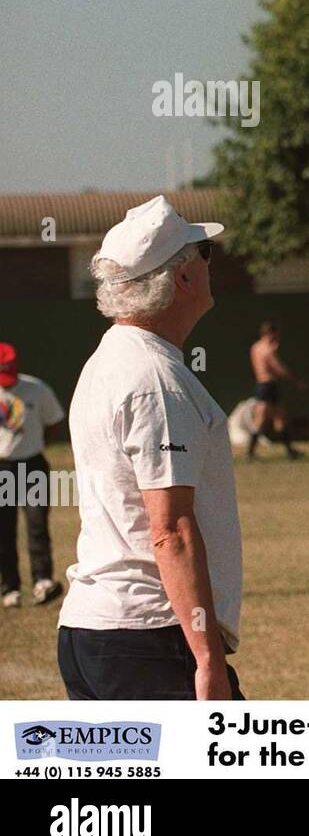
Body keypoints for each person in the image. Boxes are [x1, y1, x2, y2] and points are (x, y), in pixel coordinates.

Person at [57, 195, 244, 701]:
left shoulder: (110, 359)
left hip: (98, 632)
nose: (212, 263)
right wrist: (207, 661)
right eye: (203, 252)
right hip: (148, 639)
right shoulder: (155, 378)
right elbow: (170, 530)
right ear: (182, 278)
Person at [0, 343, 66, 607]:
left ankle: (43, 581)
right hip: (2, 468)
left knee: (37, 525)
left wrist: (33, 446)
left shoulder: (36, 390)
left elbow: (53, 422)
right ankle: (10, 588)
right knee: (4, 530)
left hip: (32, 466)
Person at [247, 321, 305, 460]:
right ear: (271, 333)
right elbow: (277, 367)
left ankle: (289, 451)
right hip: (269, 386)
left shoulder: (255, 347)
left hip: (261, 385)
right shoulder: (268, 350)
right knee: (265, 418)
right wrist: (295, 381)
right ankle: (251, 453)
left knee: (279, 417)